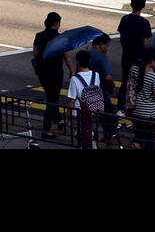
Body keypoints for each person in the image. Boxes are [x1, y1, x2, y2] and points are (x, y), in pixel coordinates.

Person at [32, 11, 73, 140]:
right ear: (57, 23)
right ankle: (46, 130)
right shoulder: (61, 38)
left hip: (43, 73)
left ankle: (58, 120)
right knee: (52, 101)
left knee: (51, 97)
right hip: (55, 73)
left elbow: (35, 53)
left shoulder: (39, 35)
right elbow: (66, 57)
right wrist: (72, 70)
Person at [125, 47, 155, 149]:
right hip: (150, 115)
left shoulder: (134, 69)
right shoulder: (154, 77)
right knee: (149, 140)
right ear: (151, 60)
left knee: (139, 137)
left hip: (136, 111)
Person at [117, 0, 153, 98]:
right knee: (138, 82)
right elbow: (145, 42)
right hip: (139, 57)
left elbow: (121, 39)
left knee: (125, 80)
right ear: (143, 6)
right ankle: (135, 103)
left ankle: (122, 106)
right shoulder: (144, 23)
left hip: (126, 55)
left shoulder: (125, 19)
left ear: (131, 4)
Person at [67, 49, 105, 145]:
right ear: (89, 61)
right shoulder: (96, 75)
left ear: (77, 62)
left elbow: (72, 100)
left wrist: (67, 117)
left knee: (79, 135)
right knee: (91, 133)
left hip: (79, 113)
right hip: (93, 111)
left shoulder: (75, 79)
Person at [89, 33, 118, 144]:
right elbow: (107, 77)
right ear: (101, 45)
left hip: (87, 96)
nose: (107, 49)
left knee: (92, 122)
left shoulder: (86, 55)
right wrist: (112, 85)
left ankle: (92, 140)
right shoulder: (102, 57)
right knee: (110, 119)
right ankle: (109, 139)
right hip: (102, 96)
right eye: (107, 46)